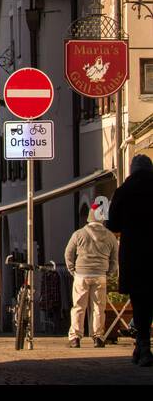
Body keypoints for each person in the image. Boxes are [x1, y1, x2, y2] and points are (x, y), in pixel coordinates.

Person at [107, 153, 153, 367]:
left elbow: (114, 225)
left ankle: (143, 348)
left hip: (134, 255)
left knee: (140, 302)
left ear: (132, 170)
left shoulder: (123, 191)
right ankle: (141, 348)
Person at [65, 202, 119, 348]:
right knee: (98, 307)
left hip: (81, 274)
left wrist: (72, 270)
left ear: (89, 217)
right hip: (100, 274)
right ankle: (98, 337)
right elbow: (115, 259)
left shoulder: (78, 234)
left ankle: (75, 337)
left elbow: (68, 253)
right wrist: (109, 273)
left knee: (78, 307)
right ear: (103, 219)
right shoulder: (110, 236)